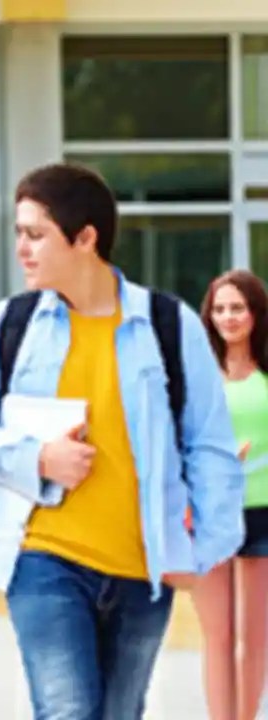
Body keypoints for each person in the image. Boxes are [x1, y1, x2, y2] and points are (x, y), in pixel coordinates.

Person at [0, 162, 245, 719]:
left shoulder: (171, 326)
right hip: (44, 560)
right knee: (68, 713)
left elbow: (211, 448)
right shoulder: (8, 324)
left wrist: (203, 554)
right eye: (19, 234)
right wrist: (37, 459)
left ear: (85, 239)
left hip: (142, 570)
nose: (22, 249)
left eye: (36, 234)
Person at [194, 270, 268, 720]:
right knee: (217, 636)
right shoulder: (198, 377)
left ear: (256, 313)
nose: (228, 317)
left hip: (262, 512)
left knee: (253, 638)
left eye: (237, 307)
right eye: (220, 308)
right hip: (210, 512)